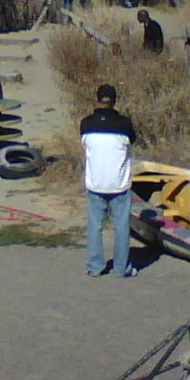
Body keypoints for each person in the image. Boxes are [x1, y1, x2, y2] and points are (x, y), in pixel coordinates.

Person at [82, 84, 137, 278]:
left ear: (96, 99)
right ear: (114, 101)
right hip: (119, 184)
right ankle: (122, 268)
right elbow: (132, 141)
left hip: (96, 183)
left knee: (95, 226)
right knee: (121, 226)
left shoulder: (86, 124)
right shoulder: (124, 124)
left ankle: (96, 267)